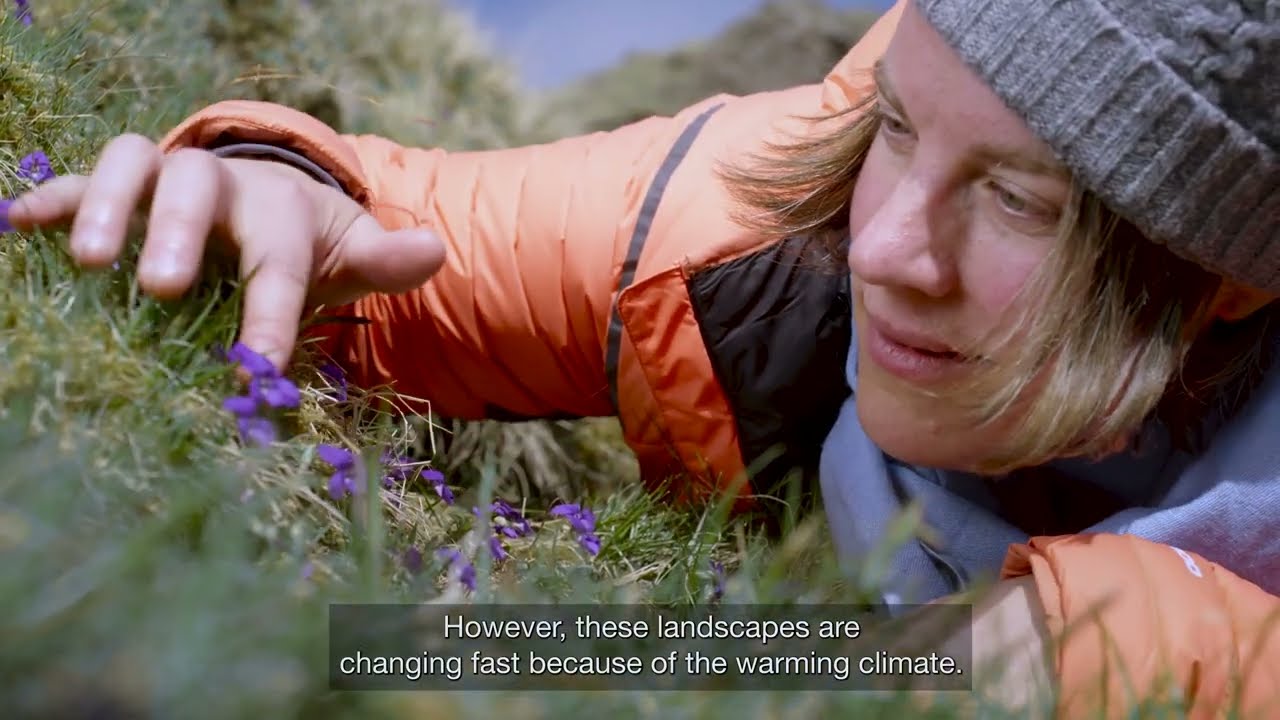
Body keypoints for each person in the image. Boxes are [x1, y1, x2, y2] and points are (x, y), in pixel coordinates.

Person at [5, 0, 1277, 715]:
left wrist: (1096, 648)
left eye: (1021, 201)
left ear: (1223, 282)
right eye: (896, 124)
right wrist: (258, 195)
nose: (887, 246)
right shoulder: (762, 217)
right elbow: (406, 250)